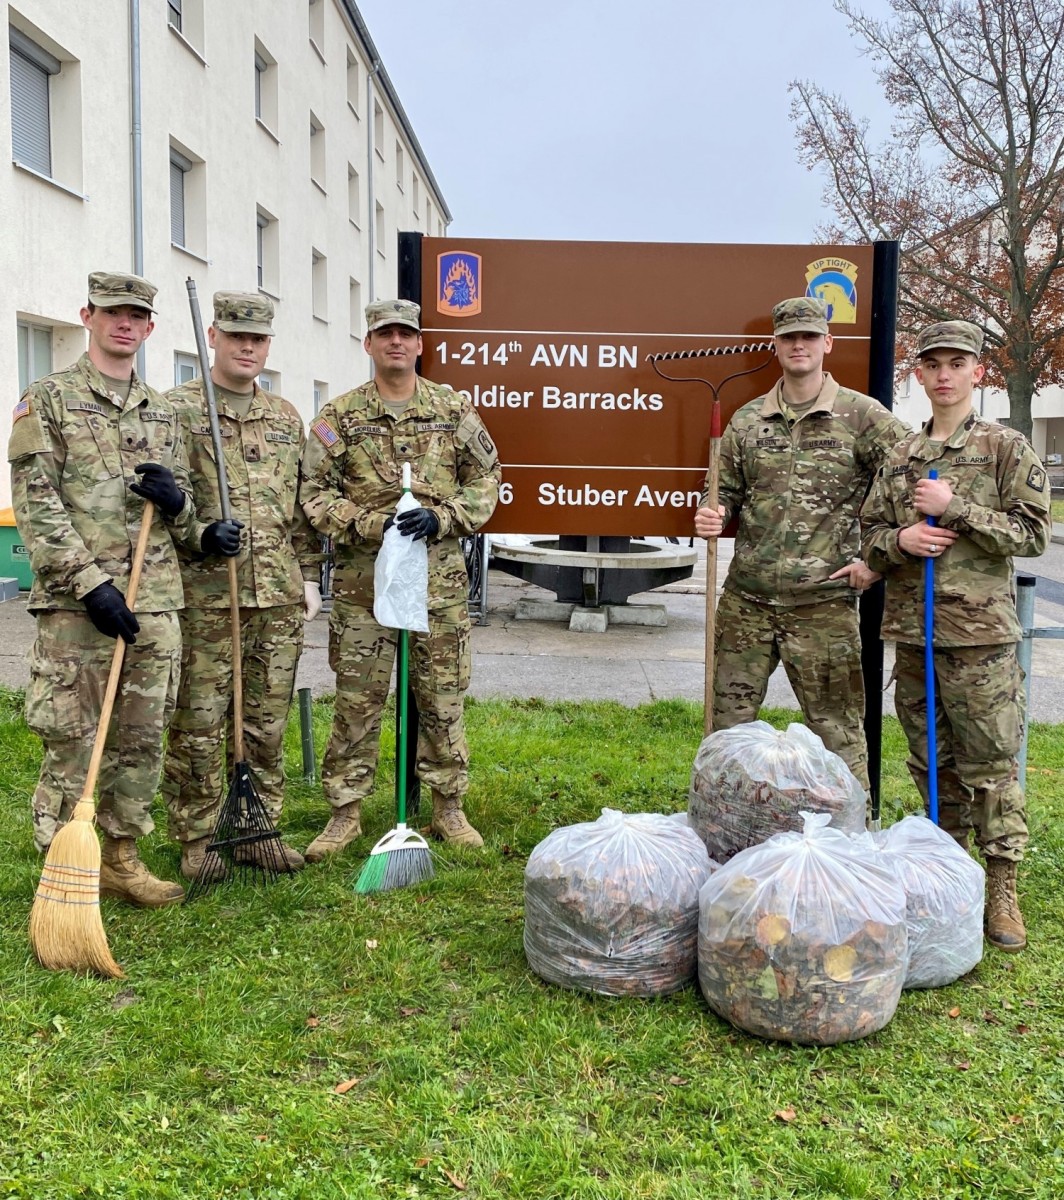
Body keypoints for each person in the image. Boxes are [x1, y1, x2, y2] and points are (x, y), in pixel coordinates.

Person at [7, 271, 241, 906]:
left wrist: (178, 504)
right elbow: (36, 504)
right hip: (77, 603)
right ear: (87, 315)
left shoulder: (163, 412)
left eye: (136, 316)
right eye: (113, 312)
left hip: (156, 598)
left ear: (149, 327)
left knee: (140, 733)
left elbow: (187, 520)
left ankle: (121, 855)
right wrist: (89, 585)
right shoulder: (47, 399)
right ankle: (63, 864)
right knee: (74, 734)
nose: (124, 324)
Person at [860, 320, 1050, 952]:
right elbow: (868, 539)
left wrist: (955, 508)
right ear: (920, 374)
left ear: (978, 372)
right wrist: (901, 540)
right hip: (913, 633)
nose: (944, 374)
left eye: (957, 363)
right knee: (930, 760)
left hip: (980, 639)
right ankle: (951, 871)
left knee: (990, 764)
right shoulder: (899, 458)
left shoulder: (1004, 448)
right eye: (933, 364)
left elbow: (1032, 536)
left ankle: (1001, 888)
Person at [299, 298, 500, 859]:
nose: (395, 343)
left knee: (441, 700)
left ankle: (448, 806)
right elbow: (312, 495)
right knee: (357, 702)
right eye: (384, 334)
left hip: (438, 590)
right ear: (368, 344)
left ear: (419, 345)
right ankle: (345, 813)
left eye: (405, 334)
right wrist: (367, 522)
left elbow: (485, 481)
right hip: (366, 589)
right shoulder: (339, 418)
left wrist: (444, 517)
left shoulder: (452, 410)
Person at [693, 296, 909, 792]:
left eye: (809, 337)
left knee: (837, 732)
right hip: (746, 602)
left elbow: (911, 479)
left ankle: (852, 839)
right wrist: (714, 514)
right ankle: (723, 827)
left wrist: (878, 561)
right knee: (726, 728)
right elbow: (723, 491)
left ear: (827, 344)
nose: (799, 346)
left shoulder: (862, 417)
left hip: (823, 605)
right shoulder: (748, 421)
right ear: (775, 344)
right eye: (789, 337)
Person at [163, 292, 321, 880]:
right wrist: (201, 532)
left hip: (276, 594)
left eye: (257, 339)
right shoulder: (176, 411)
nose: (247, 347)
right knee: (201, 718)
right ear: (213, 335)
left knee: (267, 718)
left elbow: (299, 509)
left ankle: (259, 828)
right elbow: (161, 499)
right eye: (236, 336)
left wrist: (308, 576)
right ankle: (198, 836)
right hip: (207, 592)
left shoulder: (284, 417)